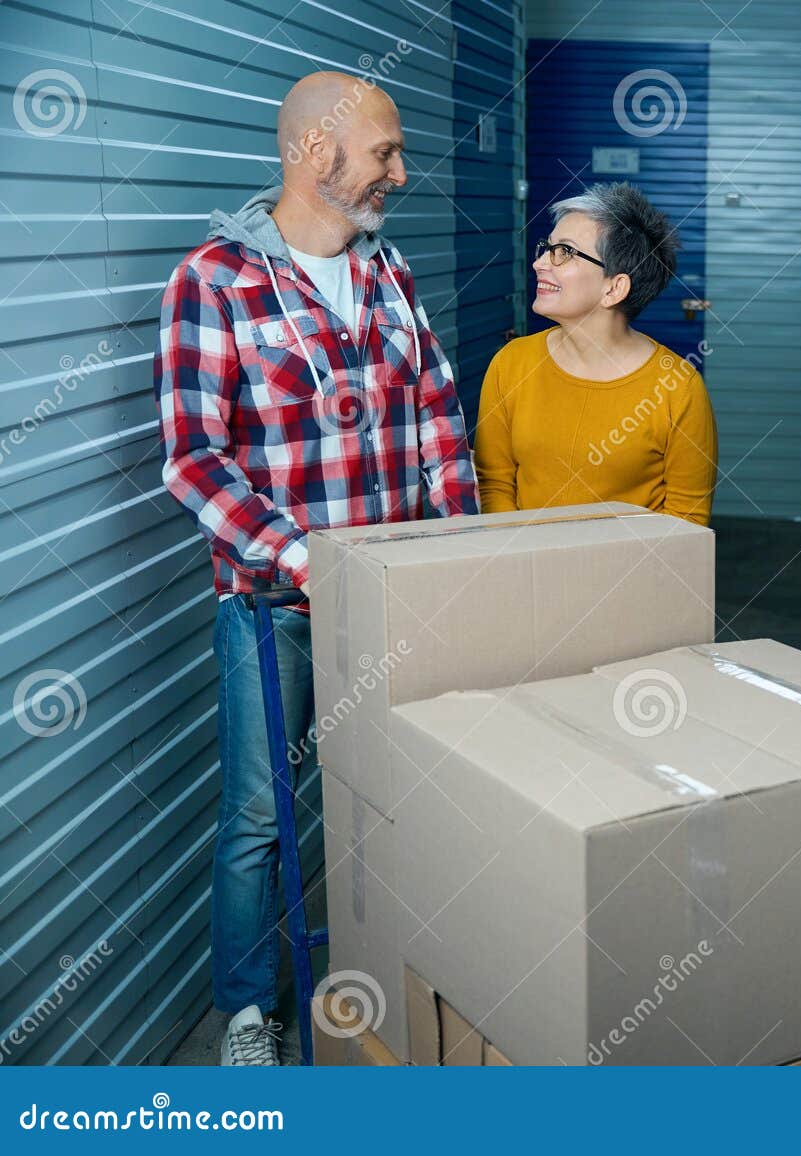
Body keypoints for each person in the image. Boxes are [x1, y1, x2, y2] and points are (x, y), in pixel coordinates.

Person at [154, 72, 478, 1065]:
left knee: (406, 786)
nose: (400, 171)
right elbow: (193, 459)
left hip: (400, 592)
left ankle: (409, 966)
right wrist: (306, 560)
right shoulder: (214, 280)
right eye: (384, 151)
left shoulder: (390, 276)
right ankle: (249, 1011)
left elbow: (436, 425)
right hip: (274, 608)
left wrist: (460, 552)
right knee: (261, 812)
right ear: (312, 152)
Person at [473, 183, 717, 524]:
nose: (540, 262)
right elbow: (494, 486)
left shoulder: (677, 387)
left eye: (565, 252)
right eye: (547, 247)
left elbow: (686, 518)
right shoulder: (511, 363)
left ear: (614, 288)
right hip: (526, 570)